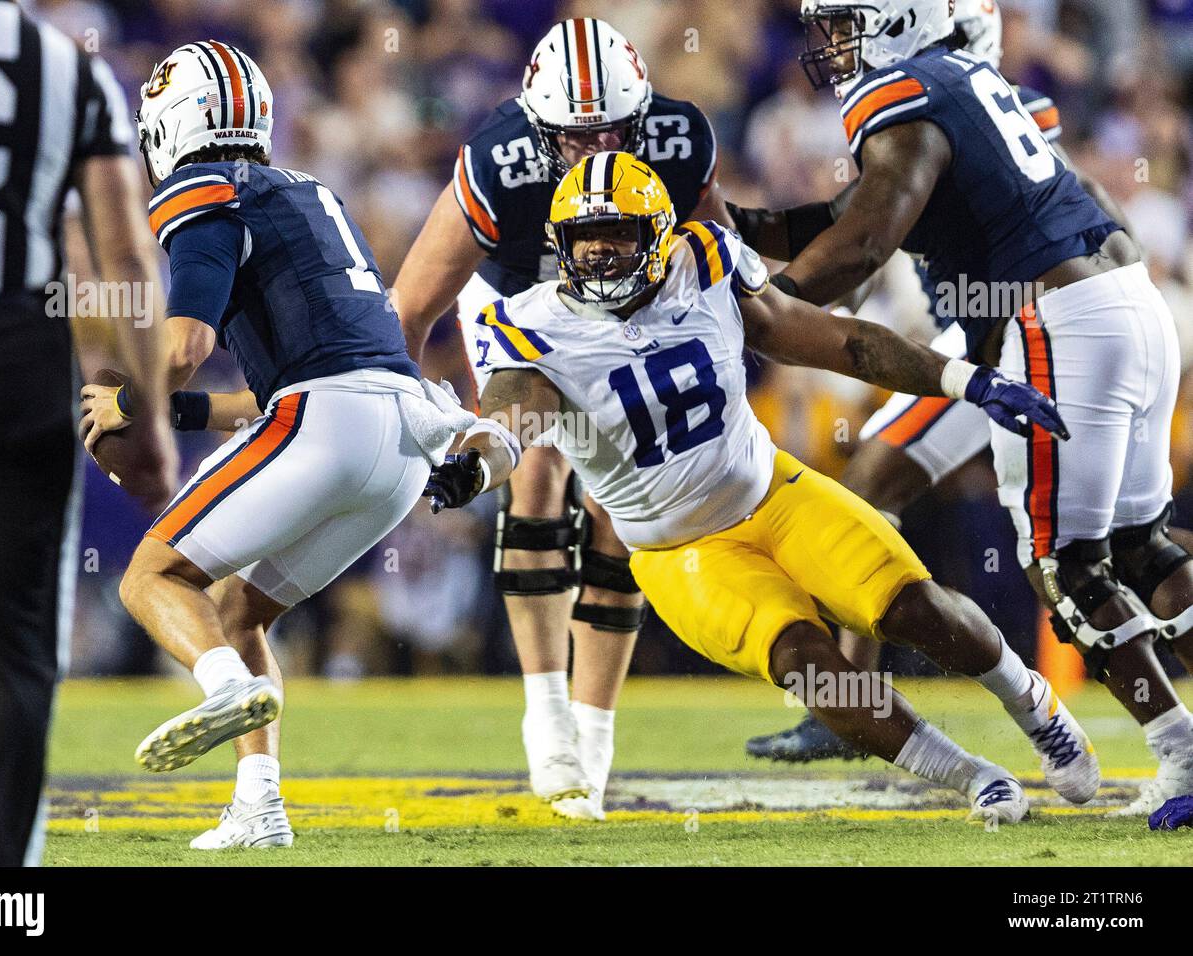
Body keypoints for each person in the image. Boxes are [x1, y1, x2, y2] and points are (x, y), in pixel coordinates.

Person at [426, 150, 1101, 824]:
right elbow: (512, 416)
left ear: (658, 235)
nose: (601, 253)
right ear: (560, 244)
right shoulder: (527, 326)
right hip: (680, 550)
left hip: (775, 492)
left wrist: (966, 381)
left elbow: (841, 343)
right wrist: (478, 465)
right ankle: (970, 775)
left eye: (620, 235)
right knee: (805, 661)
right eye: (586, 238)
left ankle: (1035, 707)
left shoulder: (706, 264)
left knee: (911, 608)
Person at [732, 0, 1193, 816]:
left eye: (844, 20)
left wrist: (762, 308)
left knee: (1065, 566)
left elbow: (864, 246)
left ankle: (1182, 758)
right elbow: (848, 219)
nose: (829, 40)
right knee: (1142, 551)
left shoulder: (906, 92)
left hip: (1057, 320)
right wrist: (736, 225)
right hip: (1125, 304)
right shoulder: (963, 81)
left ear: (899, 18)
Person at [80, 42, 473, 850]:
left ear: (170, 126)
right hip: (397, 441)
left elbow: (185, 342)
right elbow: (274, 387)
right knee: (237, 608)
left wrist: (126, 395)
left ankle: (220, 686)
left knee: (152, 578)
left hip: (326, 420)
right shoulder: (306, 191)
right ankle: (260, 807)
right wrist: (180, 414)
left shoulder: (201, 190)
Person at [393, 17, 735, 821]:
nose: (597, 148)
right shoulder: (500, 161)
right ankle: (546, 716)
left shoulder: (681, 139)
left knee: (626, 502)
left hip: (631, 304)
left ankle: (595, 729)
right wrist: (402, 421)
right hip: (521, 304)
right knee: (536, 464)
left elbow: (717, 256)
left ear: (642, 116)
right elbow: (408, 308)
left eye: (614, 132)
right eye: (577, 136)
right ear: (540, 126)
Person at [0, 0, 176, 867]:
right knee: (10, 655)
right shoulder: (69, 66)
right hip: (13, 365)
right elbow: (124, 252)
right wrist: (150, 417)